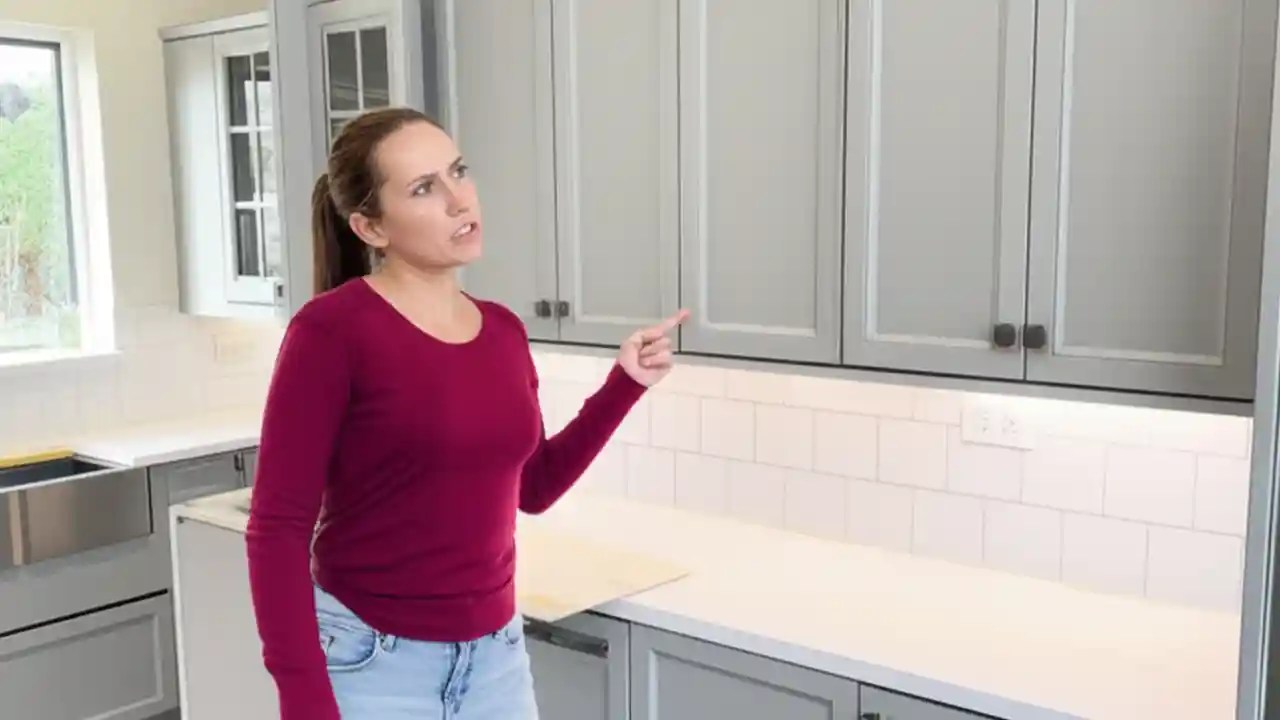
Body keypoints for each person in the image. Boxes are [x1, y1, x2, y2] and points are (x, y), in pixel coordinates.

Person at [245, 106, 687, 720]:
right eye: (425, 188)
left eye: (458, 172)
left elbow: (532, 488)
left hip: (496, 662)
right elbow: (277, 529)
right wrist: (304, 700)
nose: (459, 200)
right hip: (371, 662)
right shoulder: (330, 332)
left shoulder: (503, 331)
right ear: (371, 227)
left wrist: (624, 384)